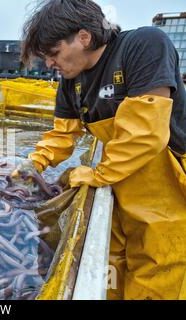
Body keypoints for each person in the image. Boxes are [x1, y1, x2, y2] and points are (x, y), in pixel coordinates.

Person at [14, 0, 186, 300]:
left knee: (159, 265)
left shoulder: (143, 45)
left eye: (54, 53)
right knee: (113, 263)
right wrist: (34, 163)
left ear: (84, 37)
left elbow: (146, 133)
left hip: (170, 180)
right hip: (121, 179)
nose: (50, 64)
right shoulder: (72, 82)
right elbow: (62, 135)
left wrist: (99, 173)